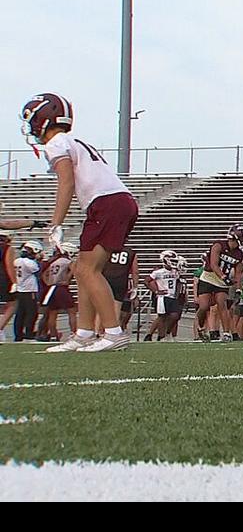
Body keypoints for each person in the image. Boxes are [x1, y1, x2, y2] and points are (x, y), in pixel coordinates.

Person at [23, 93, 140, 353]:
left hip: (106, 203)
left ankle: (112, 332)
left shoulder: (56, 143)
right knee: (81, 268)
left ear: (43, 119)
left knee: (88, 270)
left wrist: (56, 224)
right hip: (116, 201)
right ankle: (85, 332)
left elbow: (66, 182)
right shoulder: (73, 140)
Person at [196, 225, 243, 342]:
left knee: (222, 304)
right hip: (209, 277)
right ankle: (201, 328)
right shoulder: (218, 245)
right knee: (204, 307)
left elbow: (238, 273)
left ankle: (226, 333)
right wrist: (223, 276)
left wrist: (238, 287)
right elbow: (213, 264)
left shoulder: (239, 254)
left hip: (222, 281)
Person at [143, 250, 183, 342]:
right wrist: (156, 291)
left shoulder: (176, 271)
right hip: (163, 297)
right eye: (172, 260)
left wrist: (176, 294)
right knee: (162, 317)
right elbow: (146, 281)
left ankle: (167, 333)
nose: (174, 262)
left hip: (172, 297)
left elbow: (178, 283)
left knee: (175, 316)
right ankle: (161, 337)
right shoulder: (159, 272)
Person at [12, 240, 43, 341]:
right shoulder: (29, 263)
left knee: (20, 313)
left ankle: (18, 334)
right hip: (29, 290)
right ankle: (29, 333)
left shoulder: (17, 260)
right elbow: (38, 270)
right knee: (31, 313)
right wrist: (38, 260)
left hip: (20, 289)